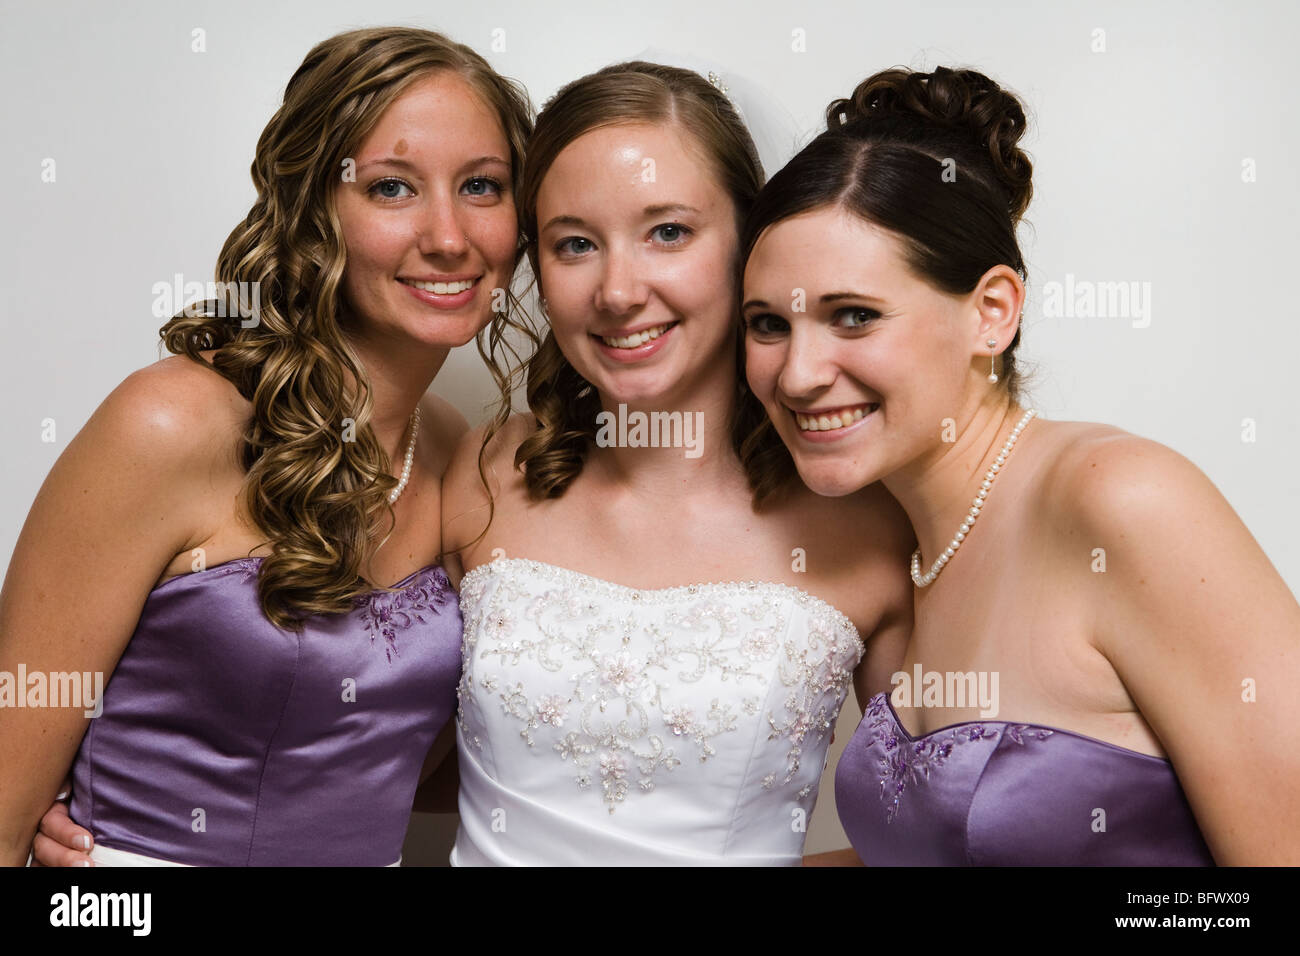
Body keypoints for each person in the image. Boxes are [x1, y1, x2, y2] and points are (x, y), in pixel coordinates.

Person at [739, 65, 1300, 865]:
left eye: (854, 316)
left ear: (991, 313)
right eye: (768, 324)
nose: (797, 374)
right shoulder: (897, 547)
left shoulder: (1124, 501)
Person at [4, 25, 533, 866]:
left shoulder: (450, 449)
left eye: (482, 186)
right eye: (393, 188)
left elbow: (400, 753)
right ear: (316, 208)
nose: (448, 236)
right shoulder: (170, 423)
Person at [440, 60, 915, 865]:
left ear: (748, 245)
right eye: (576, 244)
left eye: (668, 231)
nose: (619, 291)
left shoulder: (868, 520)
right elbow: (368, 748)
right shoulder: (485, 471)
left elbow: (934, 834)